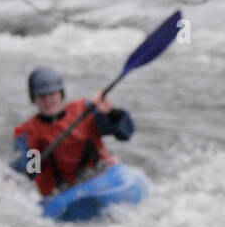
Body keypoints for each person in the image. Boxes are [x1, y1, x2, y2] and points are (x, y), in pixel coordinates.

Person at [11, 66, 135, 197]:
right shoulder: (31, 133)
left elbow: (125, 134)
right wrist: (14, 180)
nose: (48, 101)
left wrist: (111, 113)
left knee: (113, 161)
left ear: (61, 94)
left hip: (100, 179)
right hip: (62, 194)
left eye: (52, 95)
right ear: (34, 99)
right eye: (42, 96)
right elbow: (31, 170)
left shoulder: (86, 111)